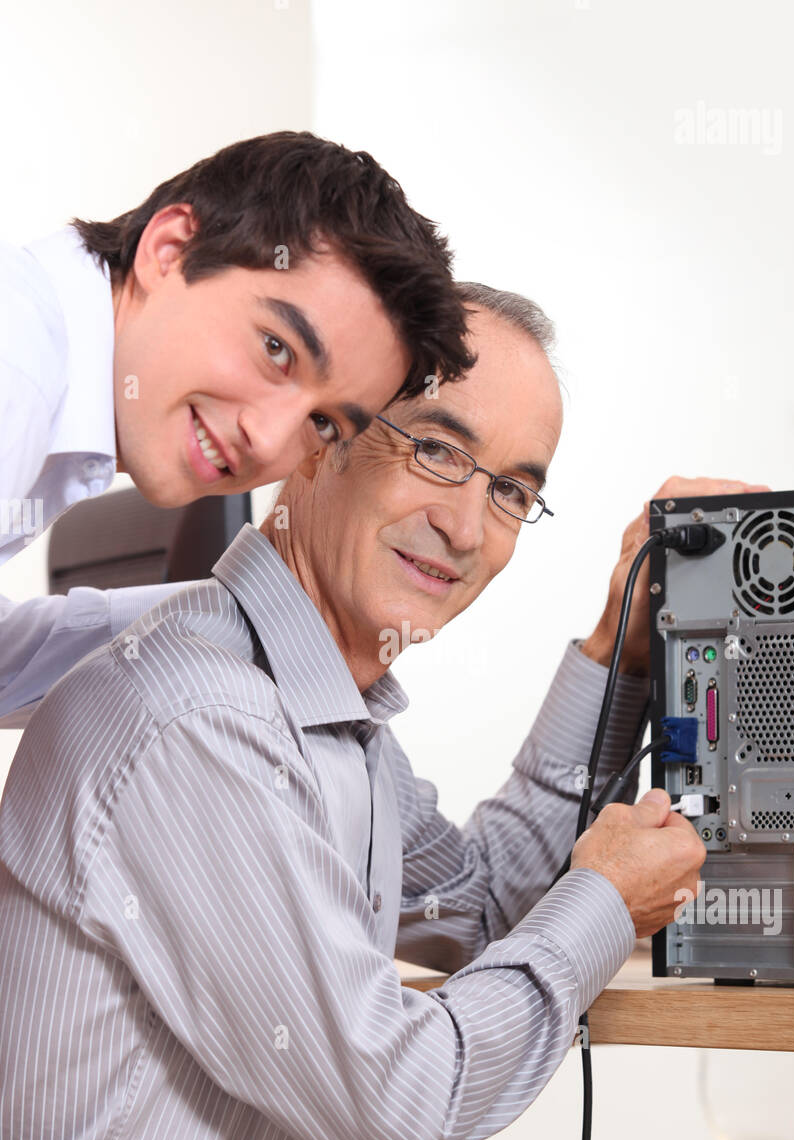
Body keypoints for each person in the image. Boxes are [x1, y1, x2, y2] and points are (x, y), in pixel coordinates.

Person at [0, 281, 761, 1140]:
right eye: (438, 451)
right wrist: (606, 899)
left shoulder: (323, 720)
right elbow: (394, 1104)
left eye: (510, 490)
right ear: (322, 438)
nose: (464, 525)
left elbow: (484, 904)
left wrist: (612, 654)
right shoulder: (209, 724)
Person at [0, 130, 473, 724]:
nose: (271, 440)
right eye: (277, 349)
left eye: (322, 423)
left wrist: (237, 622)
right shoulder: (17, 370)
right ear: (169, 251)